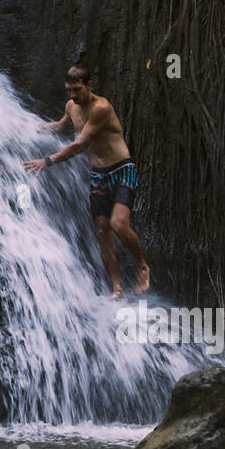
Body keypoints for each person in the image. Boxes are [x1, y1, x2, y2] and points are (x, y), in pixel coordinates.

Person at [23, 65, 150, 298]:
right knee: (102, 231)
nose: (73, 95)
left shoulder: (101, 108)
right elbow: (61, 126)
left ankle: (142, 267)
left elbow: (81, 144)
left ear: (89, 86)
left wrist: (47, 161)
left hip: (122, 170)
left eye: (78, 90)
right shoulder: (71, 106)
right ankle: (117, 287)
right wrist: (29, 127)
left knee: (118, 224)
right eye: (69, 90)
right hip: (99, 175)